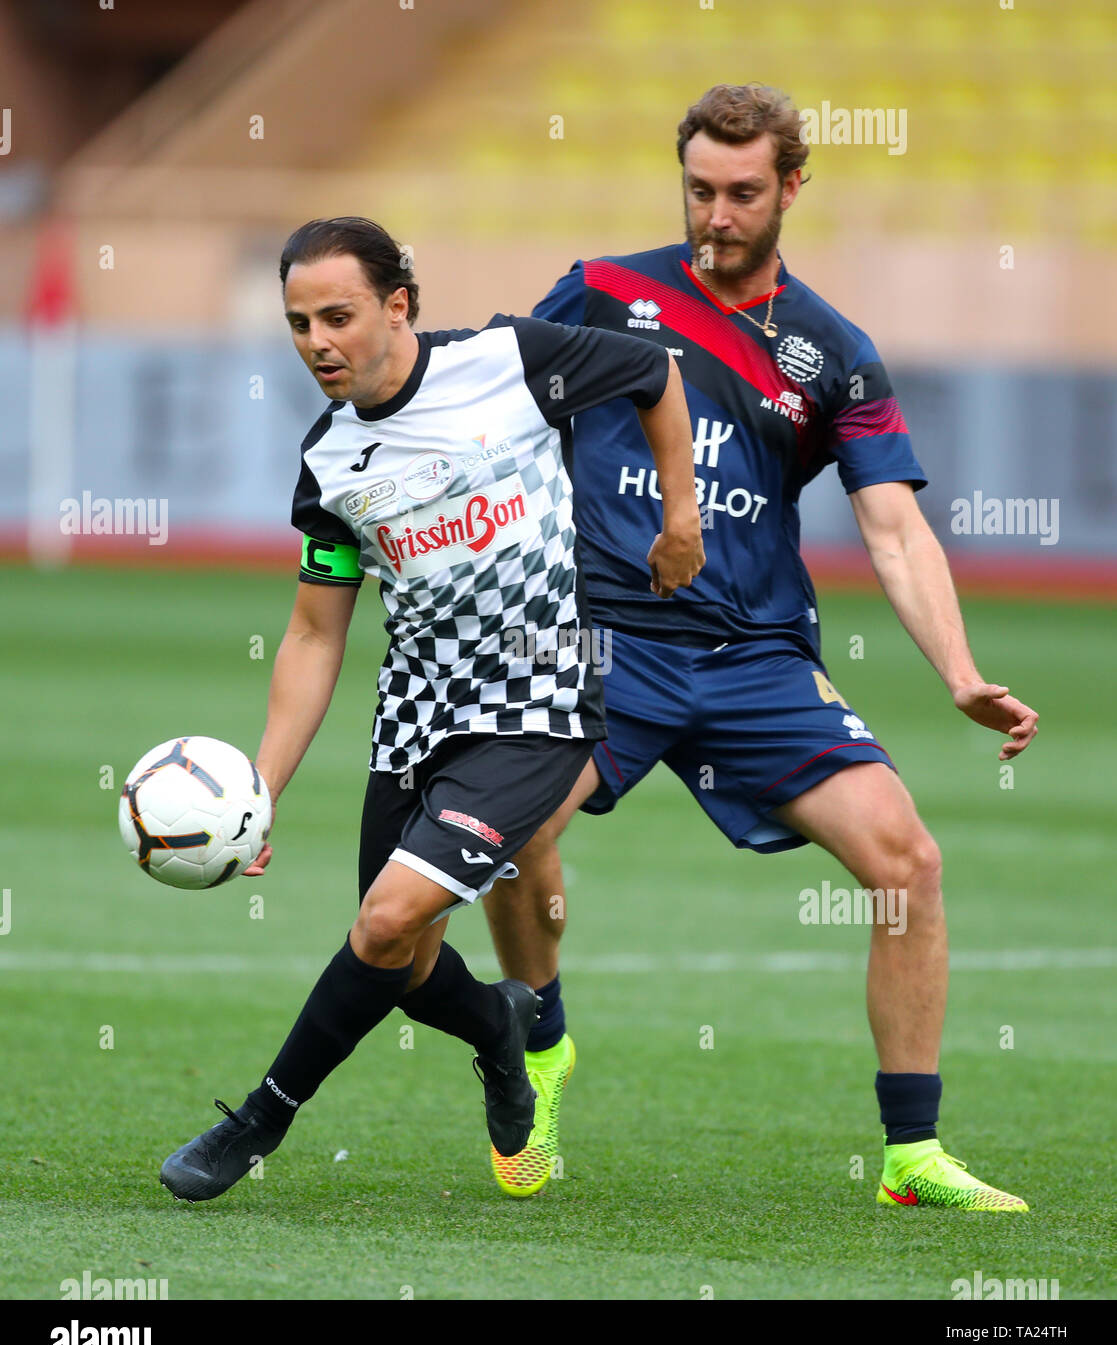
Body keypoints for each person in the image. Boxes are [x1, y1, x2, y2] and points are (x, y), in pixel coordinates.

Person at [481, 84, 1039, 1209]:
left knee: (906, 863)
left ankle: (910, 1156)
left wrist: (961, 672)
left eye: (742, 193)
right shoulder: (599, 292)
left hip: (753, 659)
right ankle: (538, 1042)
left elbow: (892, 525)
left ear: (790, 187)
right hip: (606, 640)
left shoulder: (833, 353)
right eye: (698, 190)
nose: (716, 215)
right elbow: (496, 413)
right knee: (505, 833)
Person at [159, 216, 704, 1201]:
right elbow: (316, 635)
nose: (317, 340)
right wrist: (259, 793)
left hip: (542, 691)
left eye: (338, 315)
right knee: (402, 962)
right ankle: (500, 1026)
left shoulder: (509, 359)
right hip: (416, 712)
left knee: (384, 920)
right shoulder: (329, 460)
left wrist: (680, 517)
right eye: (297, 323)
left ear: (398, 306)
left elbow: (658, 374)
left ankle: (257, 1121)